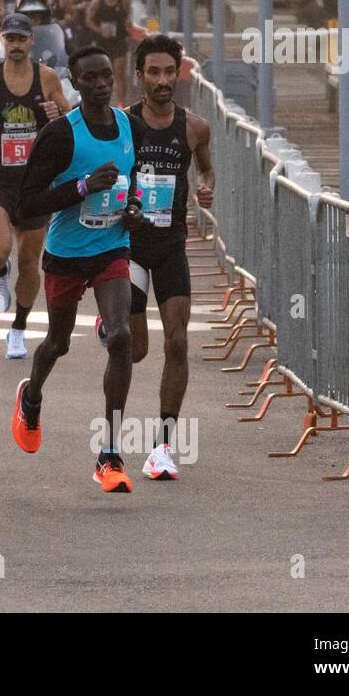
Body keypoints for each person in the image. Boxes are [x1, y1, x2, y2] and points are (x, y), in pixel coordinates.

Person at [12, 45, 147, 493]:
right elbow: (27, 202)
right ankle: (31, 397)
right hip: (67, 254)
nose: (102, 83)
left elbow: (133, 182)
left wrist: (132, 207)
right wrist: (83, 186)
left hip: (112, 248)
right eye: (90, 77)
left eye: (106, 74)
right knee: (58, 342)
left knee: (121, 336)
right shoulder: (60, 135)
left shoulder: (128, 125)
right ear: (75, 80)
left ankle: (110, 454)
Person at [118, 34, 215, 480]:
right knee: (135, 350)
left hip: (171, 244)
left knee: (177, 342)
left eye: (168, 72)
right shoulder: (123, 125)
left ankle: (162, 445)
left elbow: (205, 166)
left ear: (178, 74)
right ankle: (112, 323)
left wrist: (204, 186)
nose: (162, 81)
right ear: (139, 76)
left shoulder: (194, 127)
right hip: (131, 247)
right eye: (153, 72)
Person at [0, 13, 70, 358]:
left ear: (31, 41)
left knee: (30, 262)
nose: (16, 45)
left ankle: (18, 329)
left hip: (34, 182)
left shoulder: (47, 77)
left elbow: (69, 120)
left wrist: (56, 116)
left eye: (22, 39)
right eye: (11, 39)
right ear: (2, 41)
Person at [85, 0, 131, 107]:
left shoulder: (124, 1)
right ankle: (101, 102)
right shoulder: (98, 1)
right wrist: (100, 30)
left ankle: (122, 105)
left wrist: (128, 27)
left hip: (119, 41)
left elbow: (128, 18)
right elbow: (88, 20)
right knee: (102, 74)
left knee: (119, 73)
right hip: (103, 42)